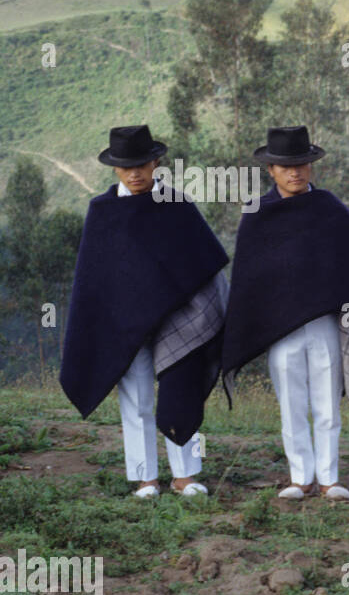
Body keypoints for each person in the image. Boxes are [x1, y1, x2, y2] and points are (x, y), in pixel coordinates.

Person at [221, 126, 349, 501]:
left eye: (301, 164)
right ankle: (300, 478)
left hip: (324, 327)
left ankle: (330, 477)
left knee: (327, 404)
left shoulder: (329, 208)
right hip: (279, 331)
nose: (295, 172)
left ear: (311, 166)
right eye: (285, 166)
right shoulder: (258, 214)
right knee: (291, 405)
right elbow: (248, 277)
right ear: (271, 170)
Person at [61, 125, 229, 498]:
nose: (135, 173)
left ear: (156, 162)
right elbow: (94, 279)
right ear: (114, 169)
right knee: (136, 398)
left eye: (141, 164)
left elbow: (203, 265)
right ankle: (145, 478)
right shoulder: (103, 213)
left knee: (181, 390)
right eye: (126, 166)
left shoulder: (176, 205)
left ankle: (186, 476)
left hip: (177, 321)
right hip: (125, 323)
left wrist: (201, 317)